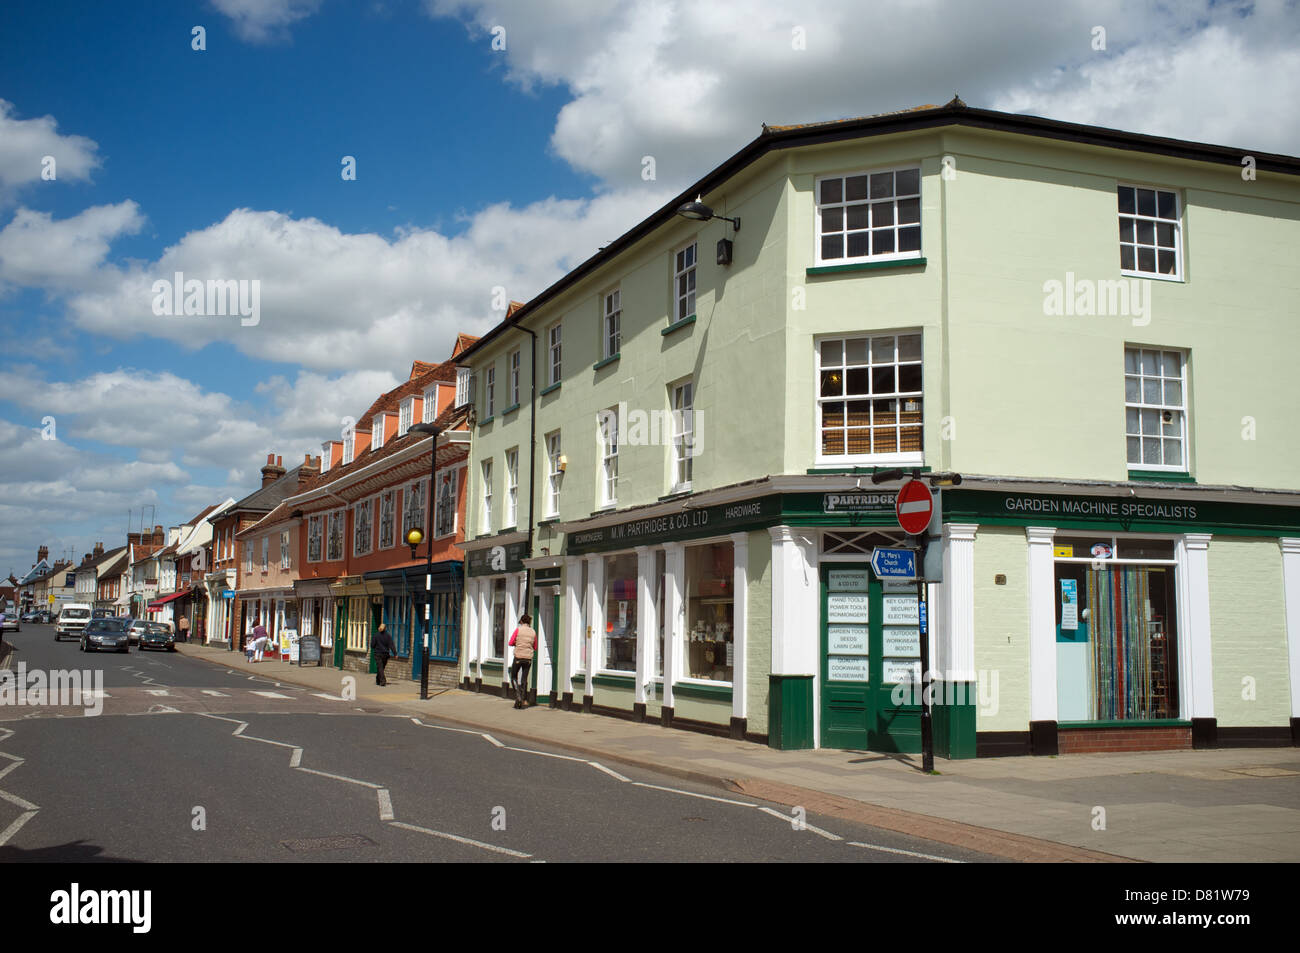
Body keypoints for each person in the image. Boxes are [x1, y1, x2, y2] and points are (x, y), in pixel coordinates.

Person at [509, 614, 537, 709]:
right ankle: (524, 699)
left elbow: (511, 642)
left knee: (513, 676)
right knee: (524, 679)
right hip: (528, 658)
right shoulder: (533, 632)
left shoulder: (518, 630)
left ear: (521, 621)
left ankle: (518, 696)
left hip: (518, 656)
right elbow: (535, 646)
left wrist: (517, 644)